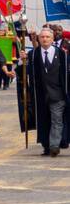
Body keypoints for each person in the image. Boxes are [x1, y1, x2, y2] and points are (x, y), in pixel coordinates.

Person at [28, 25, 70, 157]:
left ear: (52, 39)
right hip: (41, 95)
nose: (45, 39)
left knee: (57, 120)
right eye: (42, 37)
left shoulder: (61, 54)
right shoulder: (33, 54)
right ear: (39, 39)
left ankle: (54, 146)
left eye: (47, 37)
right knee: (44, 121)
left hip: (58, 95)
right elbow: (26, 71)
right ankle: (46, 146)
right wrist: (21, 64)